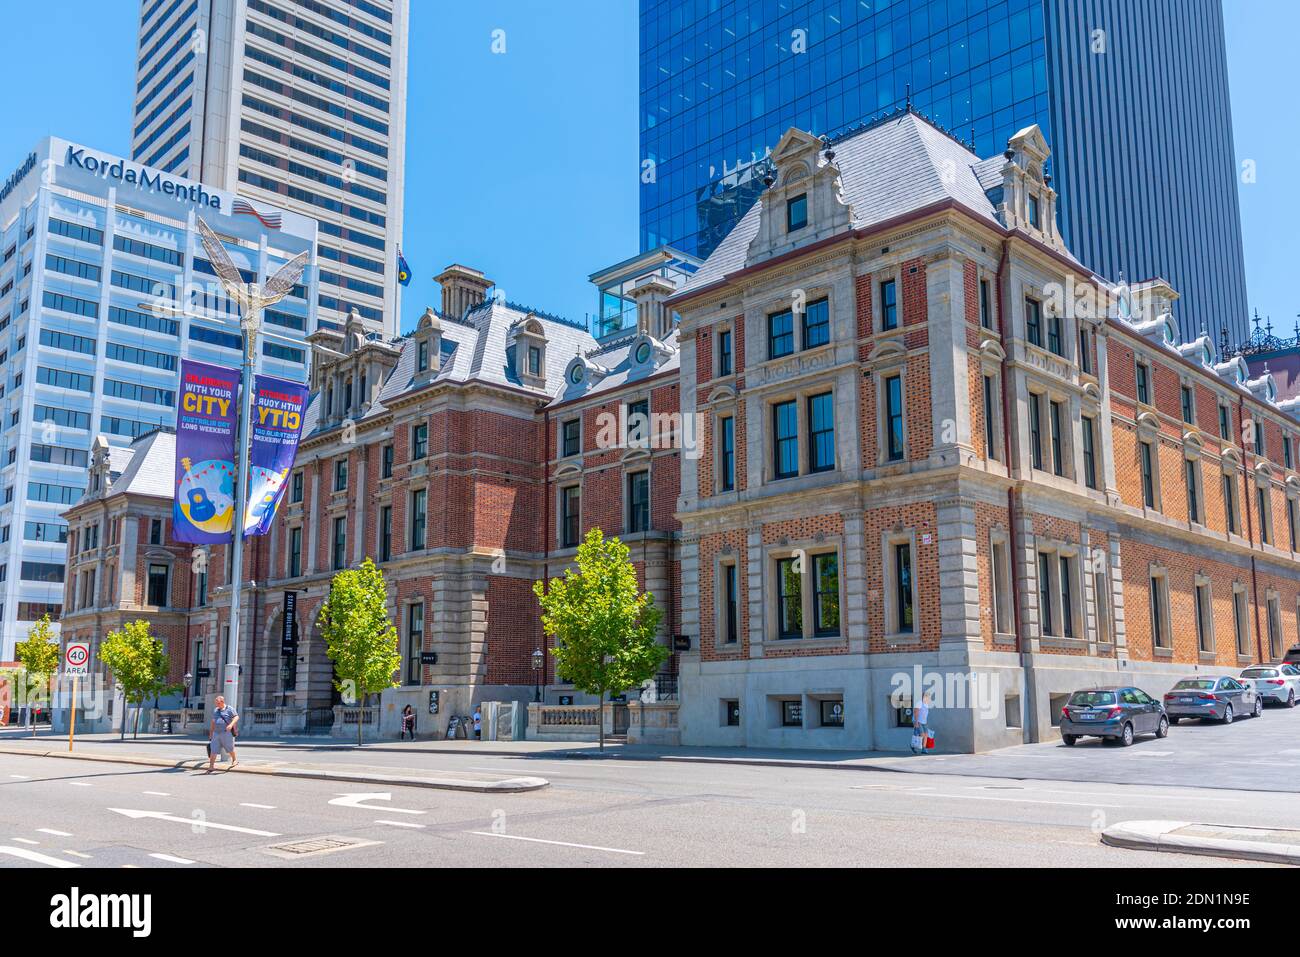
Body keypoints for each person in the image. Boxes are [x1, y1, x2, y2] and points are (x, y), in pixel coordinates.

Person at [207, 695, 239, 772]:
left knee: (229, 748)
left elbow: (236, 717)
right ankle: (211, 766)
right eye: (216, 703)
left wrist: (231, 725)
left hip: (226, 733)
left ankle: (234, 760)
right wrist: (211, 733)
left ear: (222, 702)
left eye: (217, 703)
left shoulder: (229, 709)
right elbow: (213, 722)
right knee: (213, 750)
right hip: (216, 733)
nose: (216, 704)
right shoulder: (216, 710)